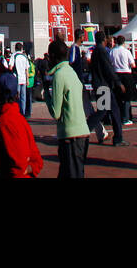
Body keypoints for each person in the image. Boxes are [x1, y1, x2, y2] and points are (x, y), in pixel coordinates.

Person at [46, 38, 90, 178]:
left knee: (71, 173)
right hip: (81, 131)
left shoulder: (59, 76)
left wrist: (47, 94)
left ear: (53, 56)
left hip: (70, 134)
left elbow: (56, 112)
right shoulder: (71, 72)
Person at [0, 74, 43, 178]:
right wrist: (31, 167)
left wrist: (27, 168)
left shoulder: (6, 121)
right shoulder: (19, 118)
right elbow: (37, 159)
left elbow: (19, 166)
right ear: (17, 95)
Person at [110, 34, 135, 127]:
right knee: (127, 97)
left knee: (118, 97)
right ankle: (126, 118)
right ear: (124, 42)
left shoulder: (112, 51)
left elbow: (110, 63)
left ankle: (119, 117)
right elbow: (133, 64)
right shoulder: (127, 51)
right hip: (126, 74)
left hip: (116, 74)